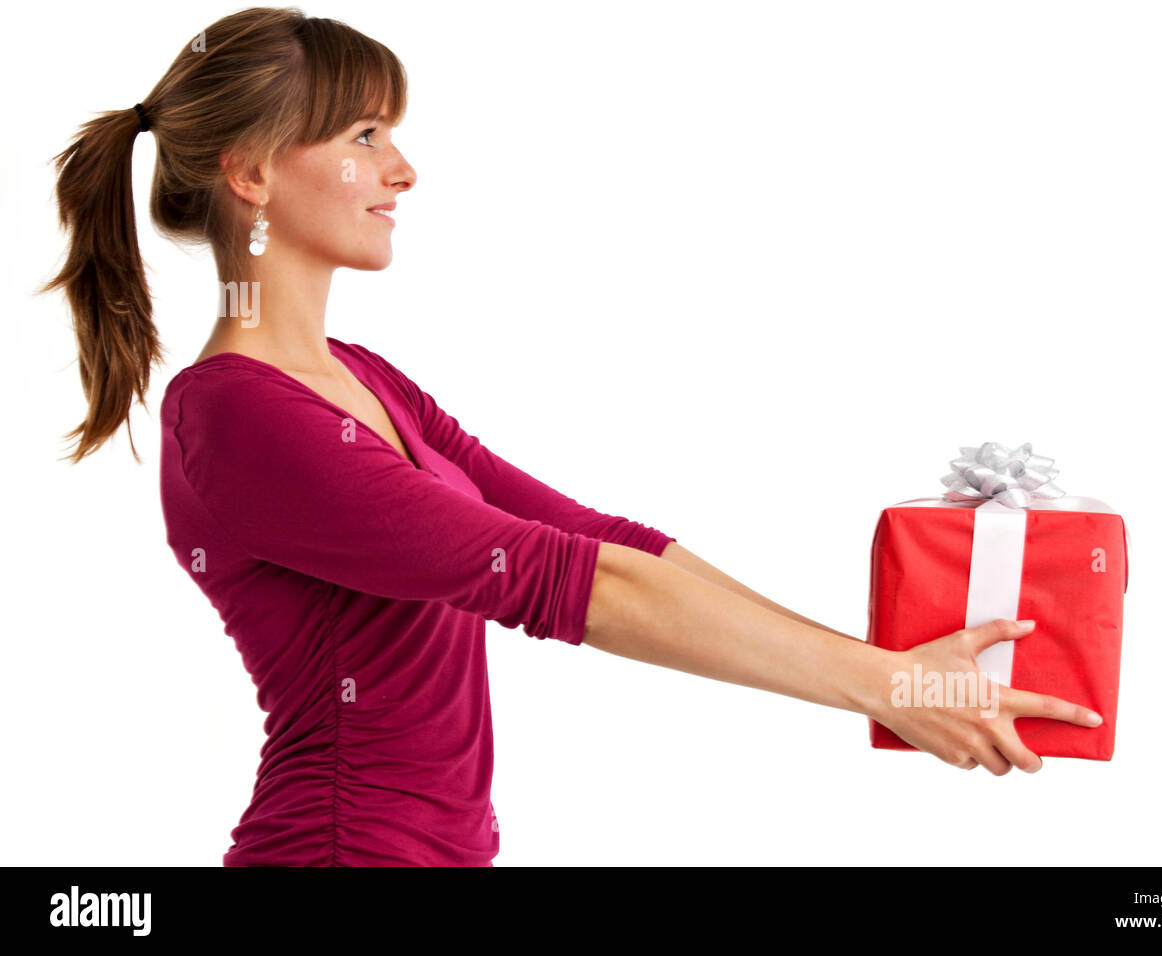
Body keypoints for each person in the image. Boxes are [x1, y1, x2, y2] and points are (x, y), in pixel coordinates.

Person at [41, 7, 1103, 866]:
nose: (403, 171)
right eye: (365, 136)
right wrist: (891, 689)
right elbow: (571, 586)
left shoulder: (362, 381)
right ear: (253, 173)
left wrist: (886, 666)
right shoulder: (235, 415)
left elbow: (602, 539)